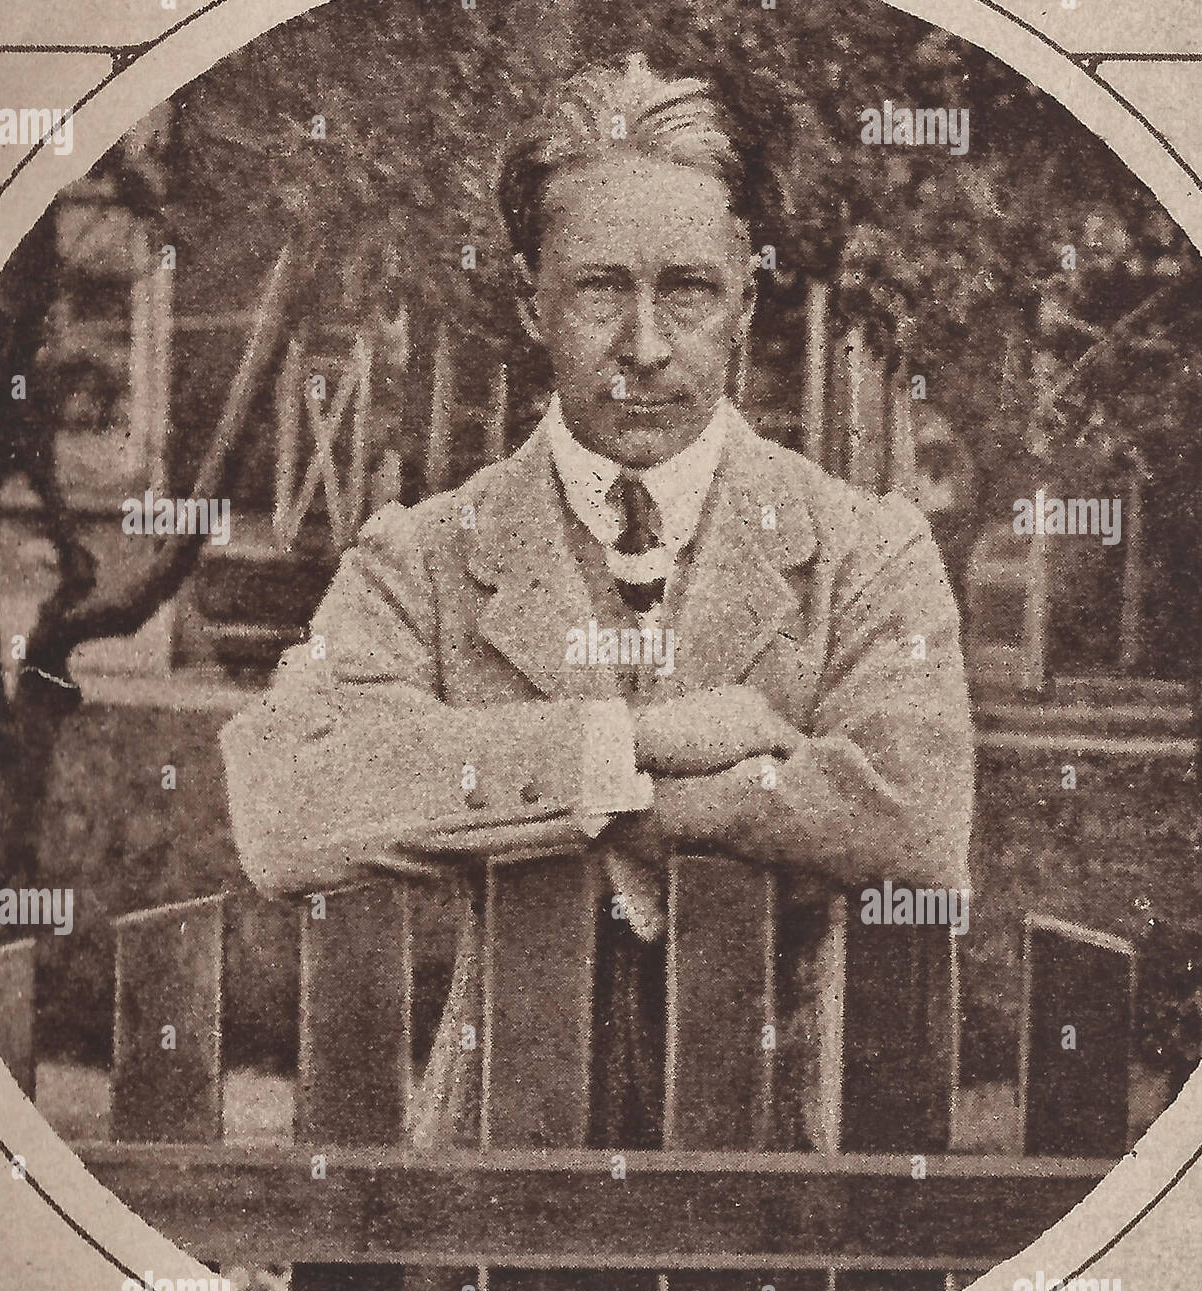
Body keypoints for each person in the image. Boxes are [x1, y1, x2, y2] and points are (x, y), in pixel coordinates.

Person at [220, 52, 974, 1152]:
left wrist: (628, 808)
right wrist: (632, 742)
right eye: (597, 287)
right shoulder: (423, 556)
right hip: (491, 1177)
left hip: (772, 1178)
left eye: (685, 288)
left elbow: (912, 822)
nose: (643, 346)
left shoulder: (867, 551)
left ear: (744, 301)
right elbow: (287, 806)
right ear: (532, 301)